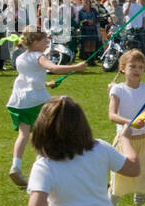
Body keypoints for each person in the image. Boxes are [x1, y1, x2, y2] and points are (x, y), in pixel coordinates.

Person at [7, 30, 87, 188]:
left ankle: (15, 167)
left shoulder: (20, 57)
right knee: (58, 114)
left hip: (18, 101)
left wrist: (46, 84)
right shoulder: (38, 56)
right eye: (44, 41)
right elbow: (54, 68)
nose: (47, 44)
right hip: (35, 100)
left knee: (24, 134)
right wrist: (76, 67)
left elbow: (28, 77)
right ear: (35, 42)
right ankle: (48, 166)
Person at [107, 50, 145, 206]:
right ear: (123, 68)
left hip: (144, 140)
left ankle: (141, 191)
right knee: (120, 177)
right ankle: (111, 204)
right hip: (124, 141)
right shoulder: (118, 90)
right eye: (133, 66)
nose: (137, 70)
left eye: (141, 67)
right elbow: (112, 115)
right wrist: (131, 122)